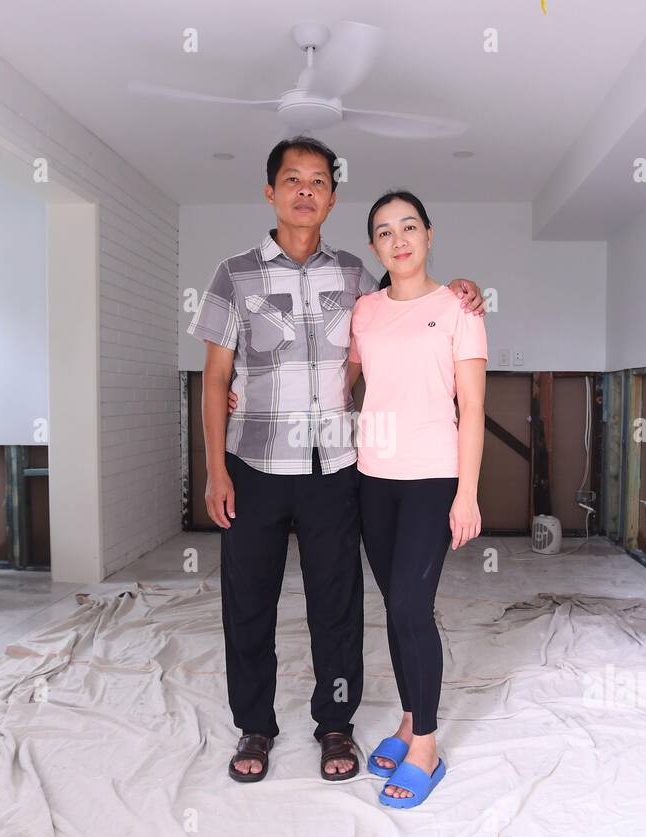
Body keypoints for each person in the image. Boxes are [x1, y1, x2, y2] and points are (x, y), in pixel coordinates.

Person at [188, 136, 484, 783]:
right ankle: (255, 728)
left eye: (318, 181)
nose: (304, 191)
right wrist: (214, 469)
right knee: (249, 604)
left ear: (332, 196)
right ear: (270, 192)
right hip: (255, 466)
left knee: (337, 604)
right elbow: (215, 379)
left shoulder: (354, 273)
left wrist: (464, 290)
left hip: (336, 468)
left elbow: (411, 301)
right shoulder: (233, 274)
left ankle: (335, 725)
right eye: (291, 180)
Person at [349, 191, 486, 808]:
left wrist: (468, 494)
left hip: (434, 478)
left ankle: (426, 748)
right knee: (393, 607)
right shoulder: (364, 310)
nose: (398, 238)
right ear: (375, 246)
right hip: (373, 478)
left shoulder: (460, 307)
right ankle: (409, 719)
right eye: (384, 231)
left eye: (409, 226)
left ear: (428, 234)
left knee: (411, 606)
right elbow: (339, 381)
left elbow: (474, 408)